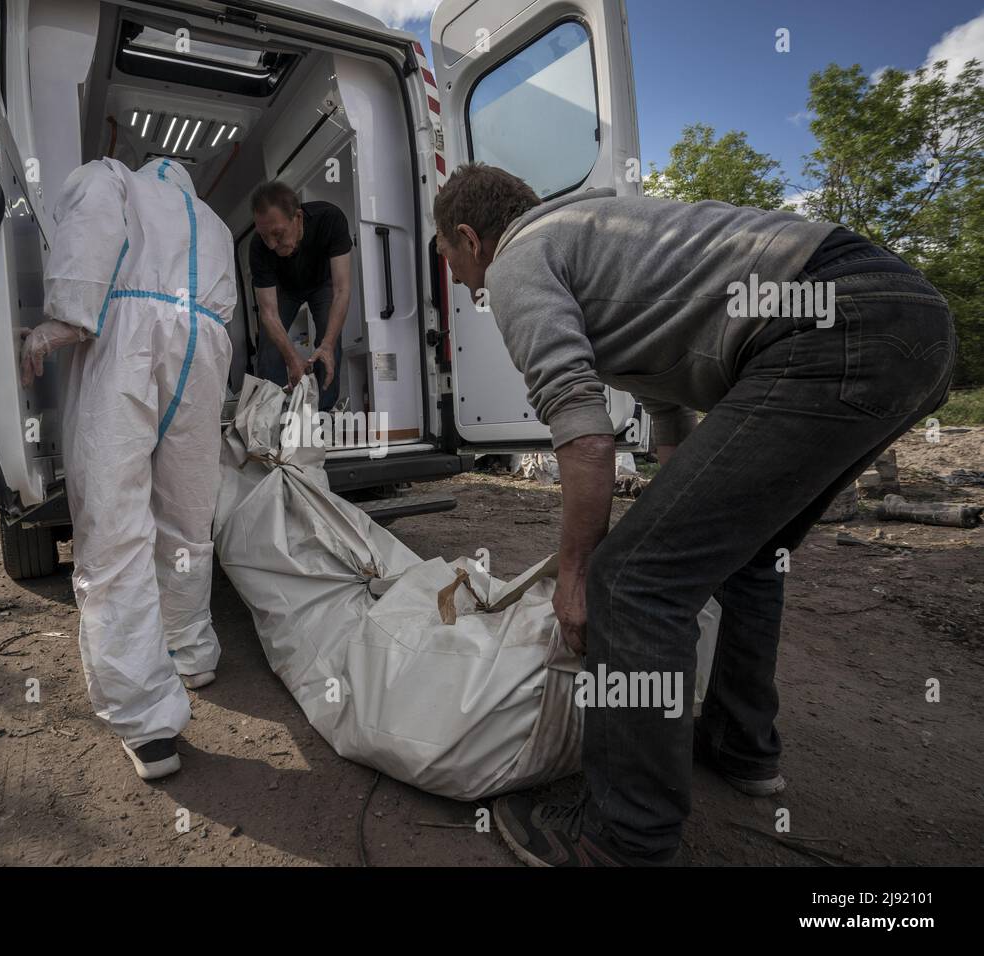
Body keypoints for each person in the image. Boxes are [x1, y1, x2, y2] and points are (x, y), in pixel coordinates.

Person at [433, 163, 957, 866]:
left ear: (469, 236)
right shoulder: (602, 236)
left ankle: (625, 840)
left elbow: (584, 437)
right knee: (745, 556)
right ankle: (741, 749)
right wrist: (677, 519)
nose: (464, 283)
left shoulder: (518, 259)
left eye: (452, 261)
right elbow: (669, 412)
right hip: (908, 321)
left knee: (630, 581)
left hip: (831, 323)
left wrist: (578, 576)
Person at [20, 157, 235, 781]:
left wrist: (64, 317)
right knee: (188, 516)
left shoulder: (114, 177)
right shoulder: (216, 222)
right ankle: (193, 653)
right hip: (203, 347)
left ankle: (147, 725)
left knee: (113, 526)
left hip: (128, 337)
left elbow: (90, 229)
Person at [249, 181, 352, 411]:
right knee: (268, 347)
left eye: (277, 234)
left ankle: (322, 416)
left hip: (323, 284)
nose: (272, 244)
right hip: (284, 289)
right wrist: (292, 358)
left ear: (298, 217)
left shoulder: (330, 218)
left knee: (329, 345)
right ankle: (273, 415)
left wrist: (327, 343)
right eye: (265, 236)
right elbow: (268, 312)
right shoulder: (258, 247)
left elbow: (342, 290)